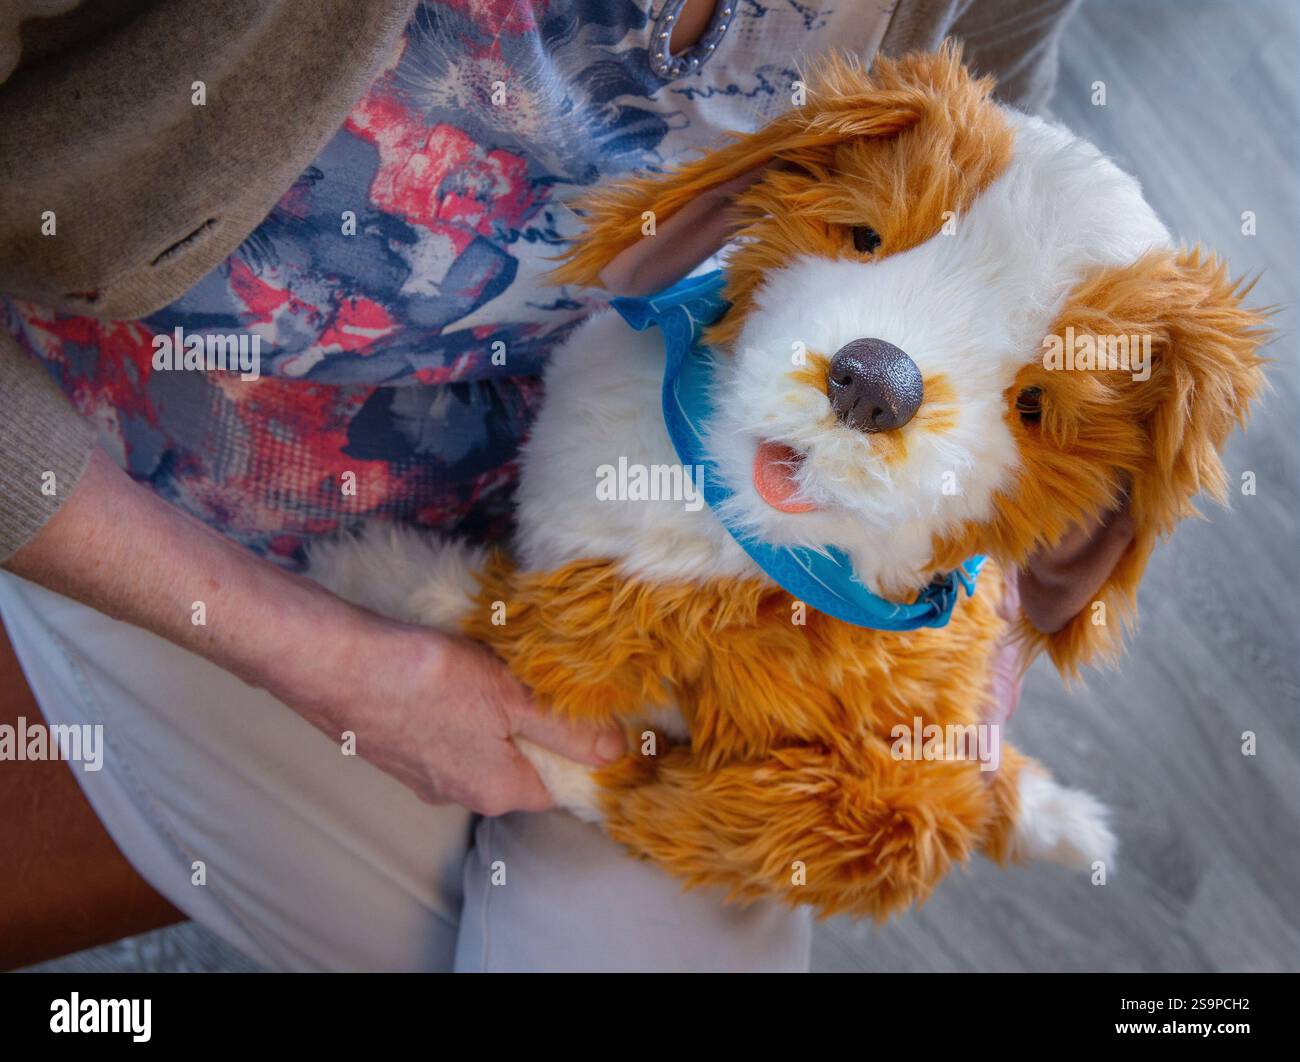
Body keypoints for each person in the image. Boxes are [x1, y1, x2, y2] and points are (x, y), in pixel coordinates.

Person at [0, 0, 1110, 971]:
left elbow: (999, 158)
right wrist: (328, 665)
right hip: (163, 506)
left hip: (672, 535)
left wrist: (967, 608)